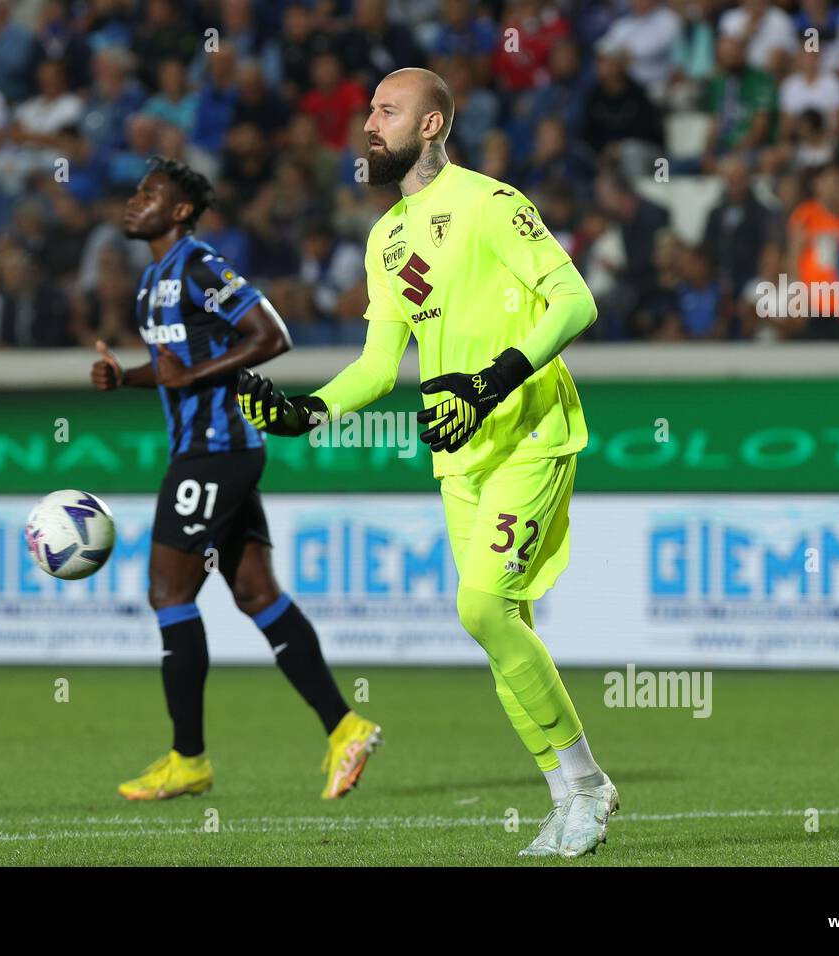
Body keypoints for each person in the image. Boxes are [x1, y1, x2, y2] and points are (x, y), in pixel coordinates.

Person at [237, 69, 616, 858]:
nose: (368, 123)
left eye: (387, 110)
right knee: (500, 627)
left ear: (434, 124)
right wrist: (306, 413)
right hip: (459, 457)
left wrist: (493, 381)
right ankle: (563, 797)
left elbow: (576, 300)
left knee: (480, 608)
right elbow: (380, 366)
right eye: (368, 109)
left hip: (530, 434)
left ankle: (588, 785)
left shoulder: (492, 202)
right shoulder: (388, 236)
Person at [91, 158, 380, 801]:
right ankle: (346, 727)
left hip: (214, 451)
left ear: (181, 212)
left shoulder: (198, 265)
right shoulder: (151, 282)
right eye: (135, 191)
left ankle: (187, 759)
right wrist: (128, 378)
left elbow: (270, 335)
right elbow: (177, 366)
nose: (134, 202)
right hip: (212, 452)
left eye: (149, 194)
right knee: (255, 594)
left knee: (169, 593)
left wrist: (191, 380)